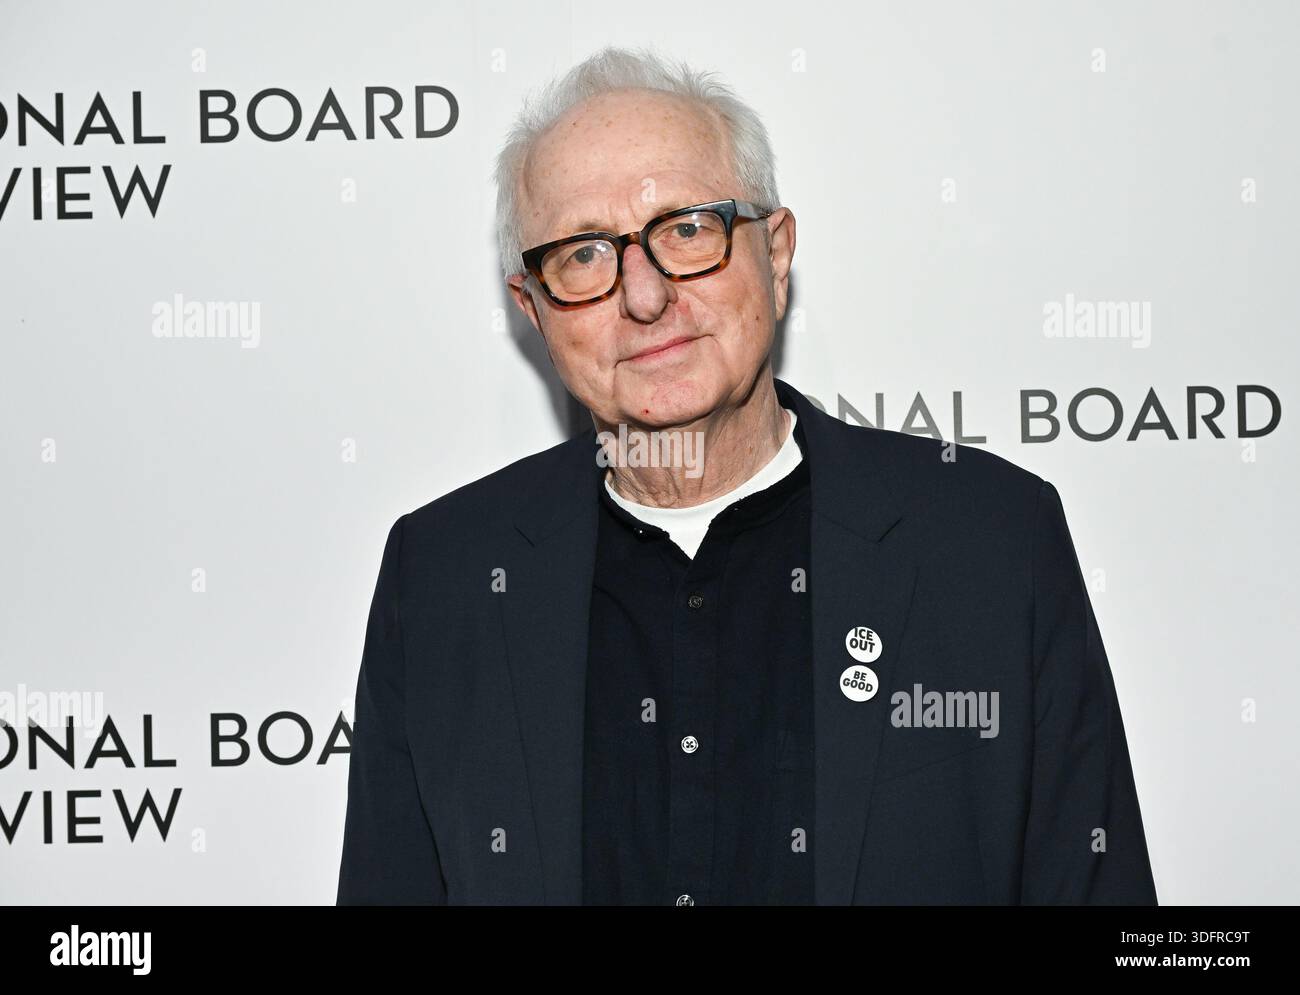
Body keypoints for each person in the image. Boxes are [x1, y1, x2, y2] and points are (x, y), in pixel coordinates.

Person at [336, 46, 1157, 905]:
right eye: (583, 255)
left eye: (688, 229)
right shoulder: (441, 577)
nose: (645, 297)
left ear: (776, 250)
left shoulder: (990, 541)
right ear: (533, 307)